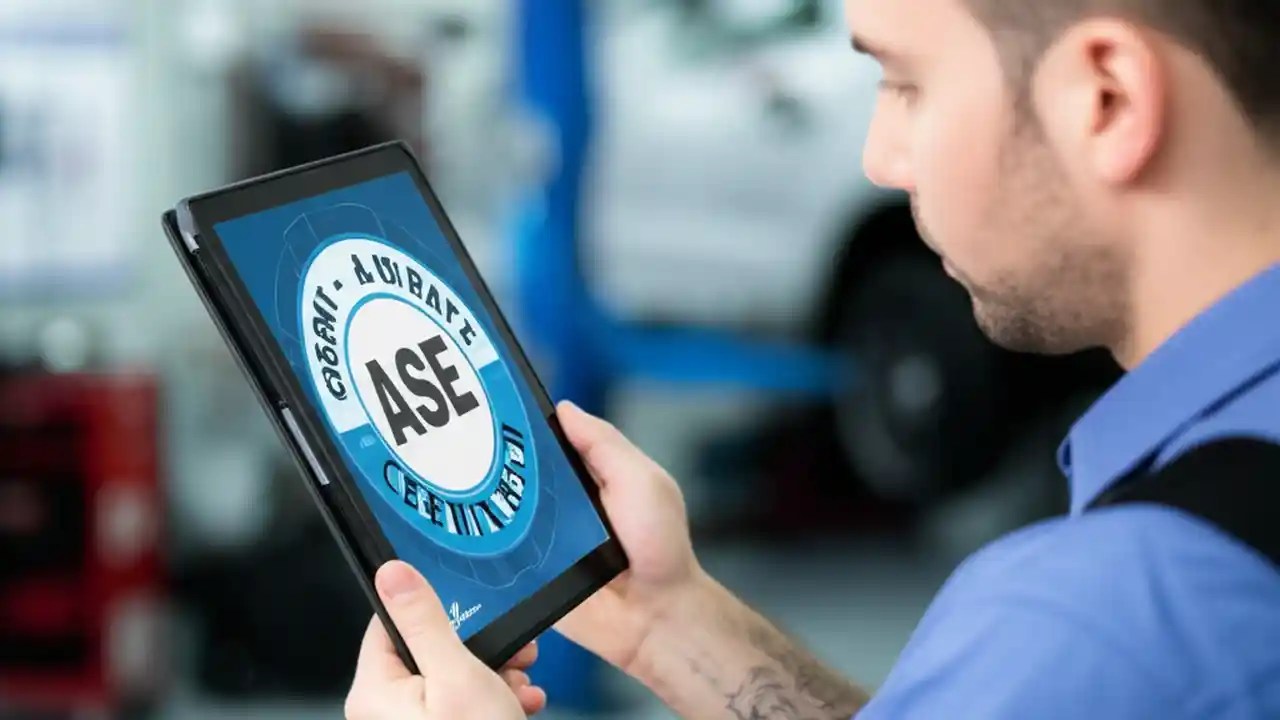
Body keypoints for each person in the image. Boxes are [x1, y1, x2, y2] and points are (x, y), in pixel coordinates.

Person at [342, 0, 1280, 717]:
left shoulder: (1104, 624)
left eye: (906, 83)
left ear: (1105, 99)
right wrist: (666, 618)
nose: (882, 154)